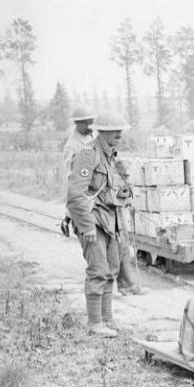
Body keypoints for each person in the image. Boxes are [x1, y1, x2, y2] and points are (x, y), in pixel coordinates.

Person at [66, 110, 129, 337]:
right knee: (98, 270)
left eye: (121, 131)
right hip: (93, 221)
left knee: (111, 269)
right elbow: (75, 195)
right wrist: (86, 226)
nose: (120, 135)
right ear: (103, 132)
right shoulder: (87, 155)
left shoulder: (110, 155)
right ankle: (94, 323)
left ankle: (107, 319)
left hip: (110, 220)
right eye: (115, 131)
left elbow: (112, 188)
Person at [111, 159, 149, 296]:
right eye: (125, 175)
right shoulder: (114, 179)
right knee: (119, 250)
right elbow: (117, 196)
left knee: (124, 250)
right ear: (118, 171)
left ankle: (127, 285)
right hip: (112, 218)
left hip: (119, 216)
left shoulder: (119, 180)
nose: (127, 178)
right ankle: (119, 286)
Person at [59, 104, 95, 236]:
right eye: (86, 123)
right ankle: (68, 220)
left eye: (91, 122)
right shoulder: (72, 147)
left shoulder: (91, 136)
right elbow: (71, 180)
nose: (90, 126)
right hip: (83, 189)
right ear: (77, 124)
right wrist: (69, 213)